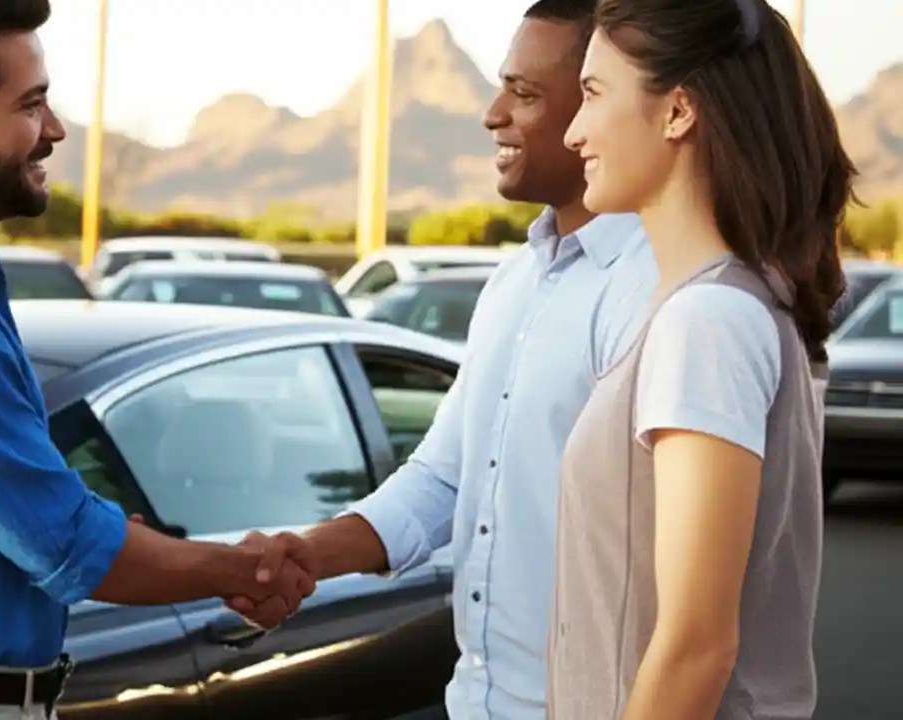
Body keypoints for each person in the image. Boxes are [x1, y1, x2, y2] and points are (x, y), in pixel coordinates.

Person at [0, 1, 314, 718]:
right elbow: (69, 544)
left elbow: (29, 507)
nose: (56, 130)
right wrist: (243, 570)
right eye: (31, 105)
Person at [230, 1, 659, 718]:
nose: (493, 115)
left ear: (596, 104)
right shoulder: (511, 283)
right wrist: (306, 554)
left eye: (524, 94)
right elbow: (443, 479)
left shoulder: (659, 290)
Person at [547, 0, 854, 718]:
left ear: (679, 110)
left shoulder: (707, 321)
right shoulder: (719, 304)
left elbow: (695, 645)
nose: (573, 131)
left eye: (593, 94)